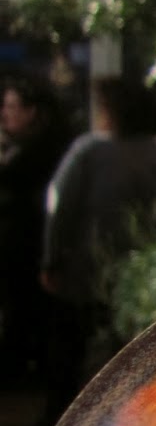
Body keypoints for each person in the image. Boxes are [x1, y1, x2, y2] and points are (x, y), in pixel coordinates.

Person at [38, 75, 156, 426]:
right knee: (123, 352)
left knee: (68, 345)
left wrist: (51, 258)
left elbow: (61, 207)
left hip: (84, 269)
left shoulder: (89, 152)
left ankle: (60, 422)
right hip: (138, 272)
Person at [0, 75, 71, 392]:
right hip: (23, 245)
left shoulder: (42, 150)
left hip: (33, 246)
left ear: (33, 112)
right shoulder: (20, 147)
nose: (5, 112)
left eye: (13, 106)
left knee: (30, 315)